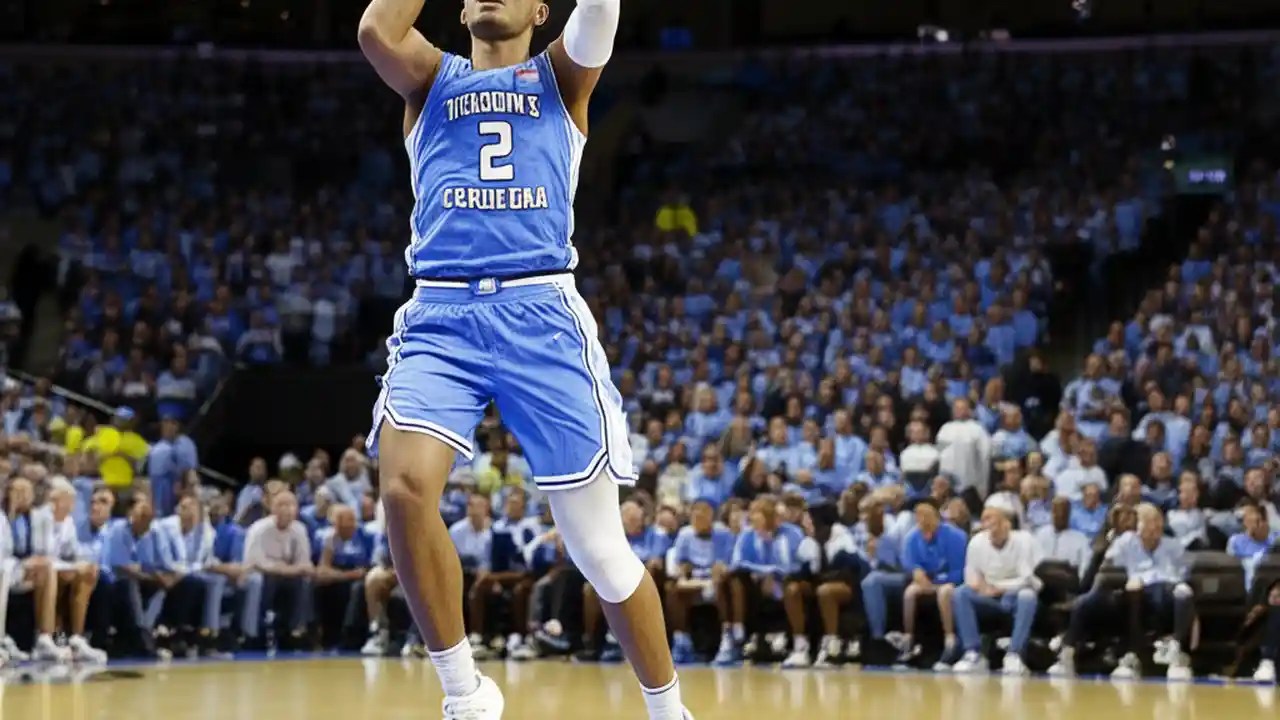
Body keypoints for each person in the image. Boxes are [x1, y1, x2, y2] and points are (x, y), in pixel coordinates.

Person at [358, 0, 691, 716]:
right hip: (442, 313)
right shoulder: (429, 80)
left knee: (600, 550)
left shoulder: (562, 79)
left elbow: (601, 9)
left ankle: (668, 709)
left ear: (542, 9)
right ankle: (466, 694)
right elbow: (374, 31)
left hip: (540, 311)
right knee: (404, 492)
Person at [942, 507, 1041, 675]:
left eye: (994, 521)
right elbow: (970, 576)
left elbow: (1029, 580)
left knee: (1028, 595)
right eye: (985, 521)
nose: (990, 526)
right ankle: (972, 653)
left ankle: (1014, 655)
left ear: (1006, 525)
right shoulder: (977, 542)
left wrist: (1000, 587)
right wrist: (981, 587)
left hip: (1015, 596)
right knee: (961, 593)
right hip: (989, 597)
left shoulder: (1023, 541)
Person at [873, 499, 966, 664]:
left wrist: (937, 581)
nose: (923, 522)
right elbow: (909, 563)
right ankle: (908, 638)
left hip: (949, 580)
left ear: (937, 518)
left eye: (927, 517)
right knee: (909, 593)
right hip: (926, 581)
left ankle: (950, 639)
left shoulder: (956, 536)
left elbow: (960, 570)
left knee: (944, 593)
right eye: (919, 518)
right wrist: (916, 572)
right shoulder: (912, 537)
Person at [1, 477, 69, 661]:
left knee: (57, 577)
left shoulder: (40, 518)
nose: (23, 496)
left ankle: (50, 639)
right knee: (51, 573)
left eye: (27, 492)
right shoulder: (3, 517)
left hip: (30, 570)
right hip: (9, 568)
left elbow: (50, 551)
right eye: (18, 491)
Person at [666, 499, 735, 665]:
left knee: (721, 583)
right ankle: (681, 639)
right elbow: (680, 563)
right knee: (672, 589)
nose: (699, 515)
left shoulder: (723, 534)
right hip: (694, 580)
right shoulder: (685, 534)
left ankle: (728, 639)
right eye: (695, 511)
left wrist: (714, 576)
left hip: (715, 580)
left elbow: (724, 564)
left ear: (712, 515)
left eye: (704, 511)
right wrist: (684, 575)